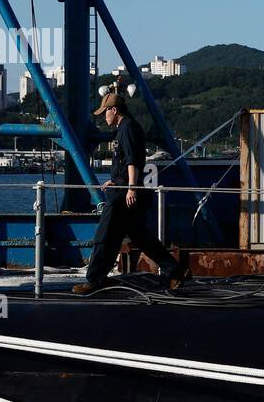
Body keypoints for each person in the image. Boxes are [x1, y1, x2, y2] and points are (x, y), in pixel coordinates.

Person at [73, 93, 188, 295]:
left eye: (105, 112)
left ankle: (94, 280)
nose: (104, 117)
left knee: (105, 234)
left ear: (114, 110)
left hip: (124, 193)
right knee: (140, 236)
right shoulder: (124, 129)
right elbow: (126, 162)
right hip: (122, 188)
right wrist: (116, 180)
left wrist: (131, 188)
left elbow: (133, 160)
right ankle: (175, 270)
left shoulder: (127, 128)